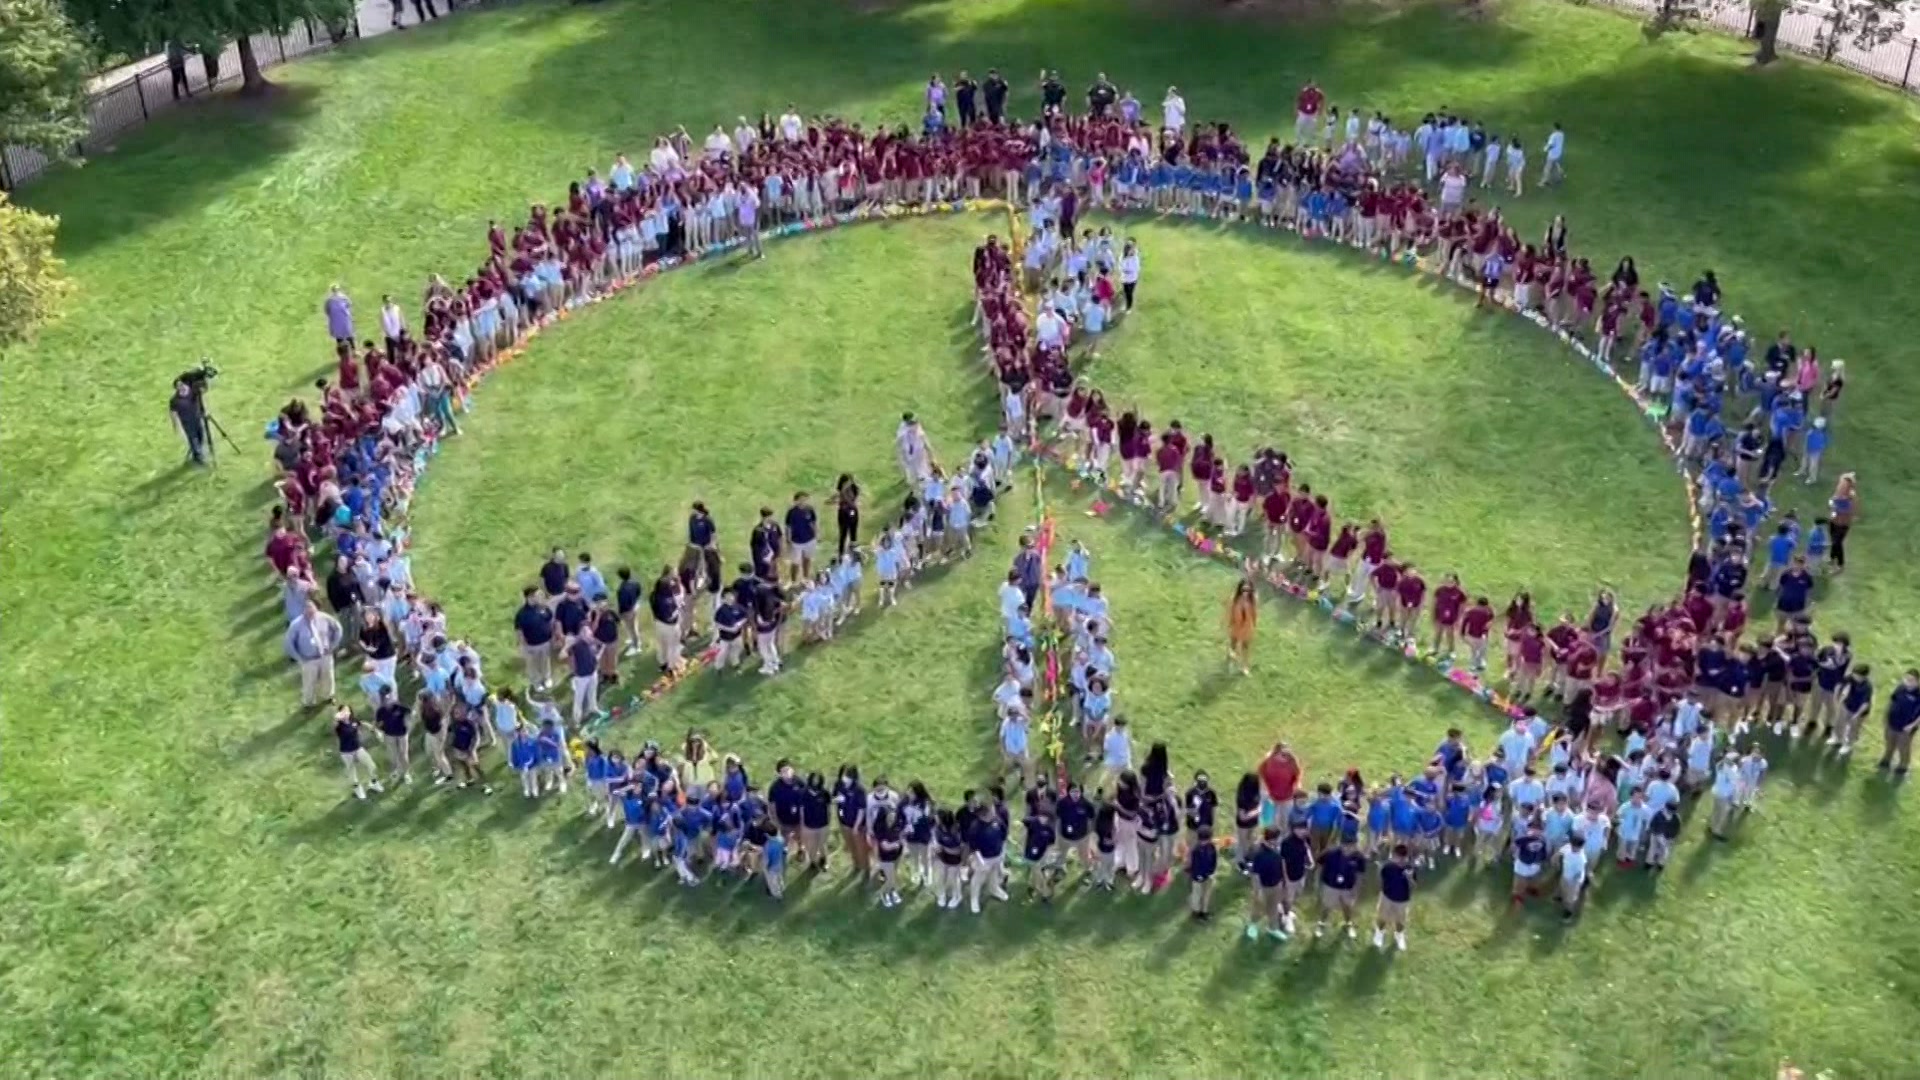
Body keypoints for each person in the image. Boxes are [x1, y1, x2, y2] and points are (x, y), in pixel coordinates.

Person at [285, 600, 344, 707]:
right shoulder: (296, 625)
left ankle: (328, 696)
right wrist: (299, 658)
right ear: (304, 610)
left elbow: (338, 628)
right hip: (308, 659)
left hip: (325, 655)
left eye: (312, 609)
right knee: (309, 682)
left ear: (316, 608)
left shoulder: (325, 618)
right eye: (307, 610)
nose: (310, 612)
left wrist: (333, 646)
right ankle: (308, 702)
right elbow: (289, 644)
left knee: (328, 678)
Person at [333, 706, 384, 800]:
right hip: (346, 752)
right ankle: (357, 789)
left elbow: (363, 723)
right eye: (343, 711)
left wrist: (376, 731)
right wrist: (337, 718)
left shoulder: (353, 721)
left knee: (371, 765)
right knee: (351, 771)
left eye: (347, 710)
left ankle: (374, 783)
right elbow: (334, 725)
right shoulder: (339, 725)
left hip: (358, 748)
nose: (345, 712)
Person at [1373, 843, 1415, 951]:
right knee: (1382, 918)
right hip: (1387, 897)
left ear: (1405, 858)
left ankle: (1399, 935)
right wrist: (1382, 891)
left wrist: (1409, 878)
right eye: (1397, 857)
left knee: (1400, 921)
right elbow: (1380, 879)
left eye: (1402, 858)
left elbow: (1413, 886)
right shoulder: (1388, 867)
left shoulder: (1409, 868)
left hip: (1402, 900)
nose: (1399, 860)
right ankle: (1379, 933)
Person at [1878, 669, 1920, 776]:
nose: (1908, 682)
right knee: (1889, 742)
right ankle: (1887, 759)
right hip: (1892, 722)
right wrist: (1885, 716)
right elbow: (1891, 701)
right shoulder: (1900, 688)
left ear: (1917, 681)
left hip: (1906, 727)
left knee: (1903, 747)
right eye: (1906, 678)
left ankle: (1903, 765)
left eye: (1911, 680)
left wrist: (1912, 726)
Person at [169, 381, 209, 466]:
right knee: (193, 438)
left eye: (182, 384)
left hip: (197, 419)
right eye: (179, 386)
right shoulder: (174, 400)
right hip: (187, 422)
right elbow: (173, 413)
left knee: (200, 436)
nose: (182, 386)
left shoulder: (192, 391)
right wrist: (175, 425)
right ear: (176, 388)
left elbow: (203, 392)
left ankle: (197, 452)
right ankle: (198, 457)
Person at [1226, 572, 1258, 675]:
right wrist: (1230, 623)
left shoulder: (1252, 600)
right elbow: (1230, 611)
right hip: (1236, 626)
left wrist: (1254, 624)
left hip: (1247, 627)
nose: (1246, 592)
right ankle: (1231, 657)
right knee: (1233, 643)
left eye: (1248, 590)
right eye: (1244, 590)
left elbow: (1254, 613)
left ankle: (1244, 666)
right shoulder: (1236, 599)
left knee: (1245, 647)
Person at [1187, 826, 1218, 920]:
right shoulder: (1196, 850)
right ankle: (1196, 911)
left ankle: (1204, 911)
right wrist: (1198, 875)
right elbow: (1195, 865)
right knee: (1197, 894)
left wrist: (1212, 871)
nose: (1204, 842)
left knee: (1206, 894)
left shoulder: (1211, 847)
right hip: (1198, 877)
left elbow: (1214, 859)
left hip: (1208, 875)